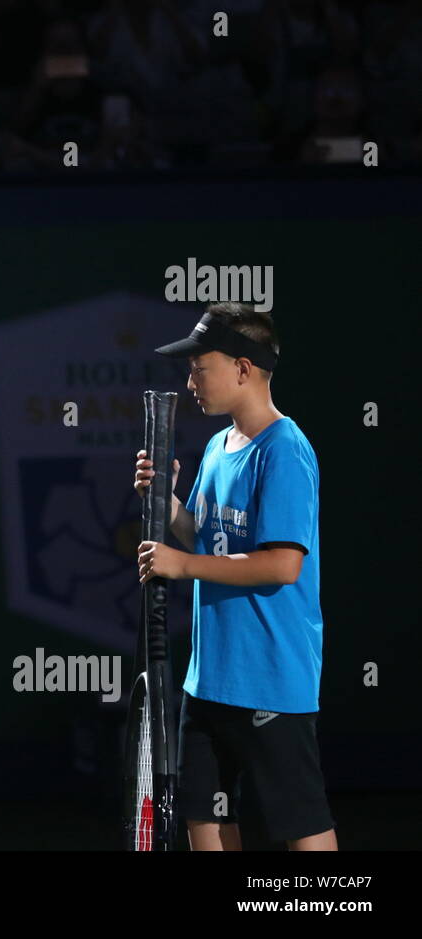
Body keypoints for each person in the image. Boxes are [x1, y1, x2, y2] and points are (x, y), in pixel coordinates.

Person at [133, 303, 336, 851]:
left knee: (300, 827)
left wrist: (183, 566)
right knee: (204, 820)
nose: (190, 379)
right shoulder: (221, 448)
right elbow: (205, 537)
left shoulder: (285, 450)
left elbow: (282, 564)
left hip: (270, 680)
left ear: (244, 369)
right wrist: (167, 502)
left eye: (201, 366)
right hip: (209, 680)